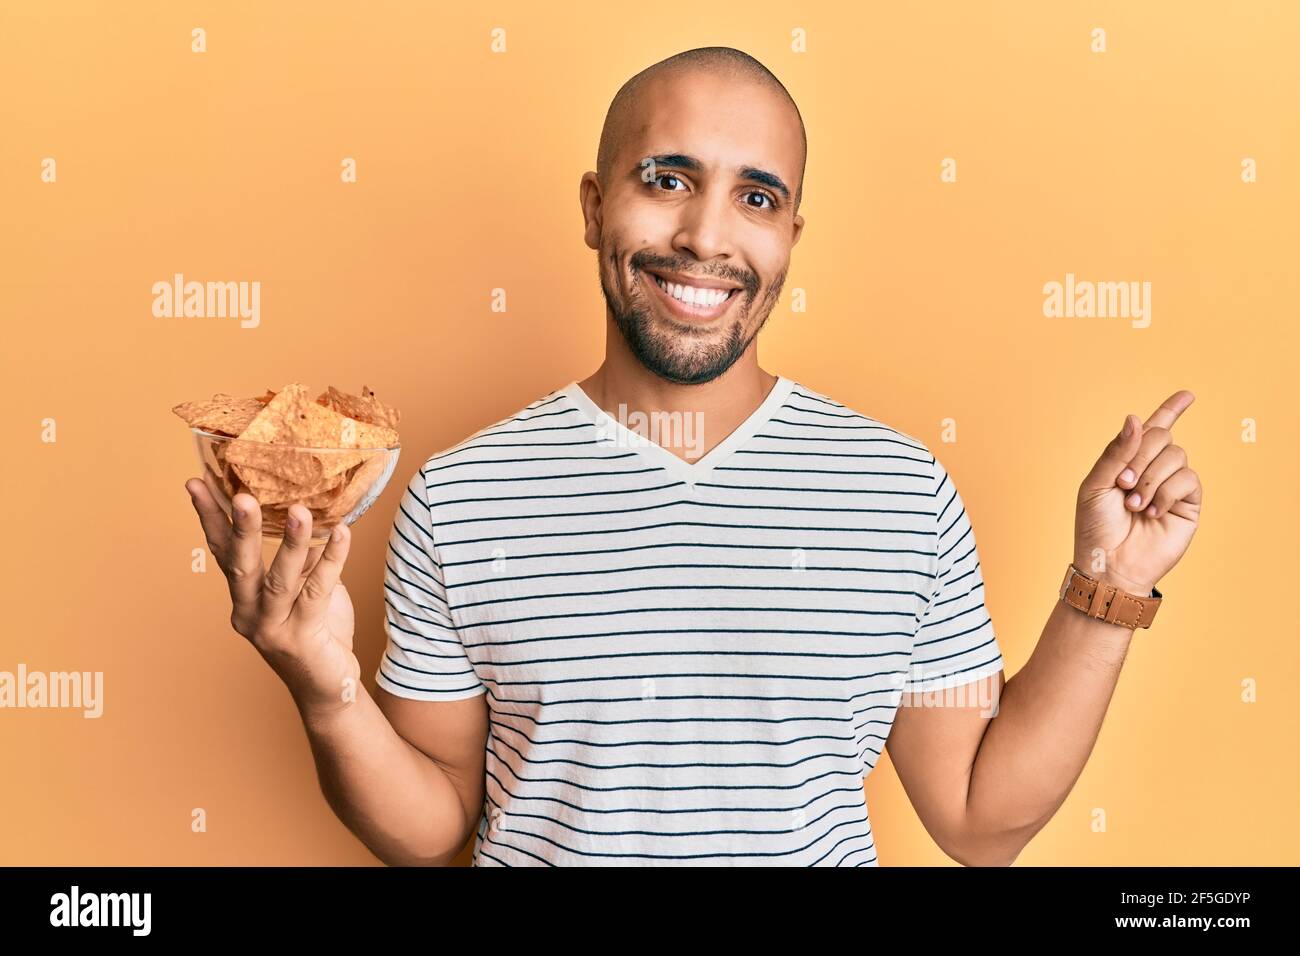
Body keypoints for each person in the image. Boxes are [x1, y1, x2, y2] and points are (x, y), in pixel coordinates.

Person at [185, 47, 1203, 866]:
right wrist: (322, 688)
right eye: (666, 179)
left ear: (792, 235)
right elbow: (436, 828)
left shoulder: (898, 493)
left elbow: (981, 820)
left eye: (756, 198)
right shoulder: (461, 497)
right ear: (594, 207)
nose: (705, 234)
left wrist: (1104, 588)